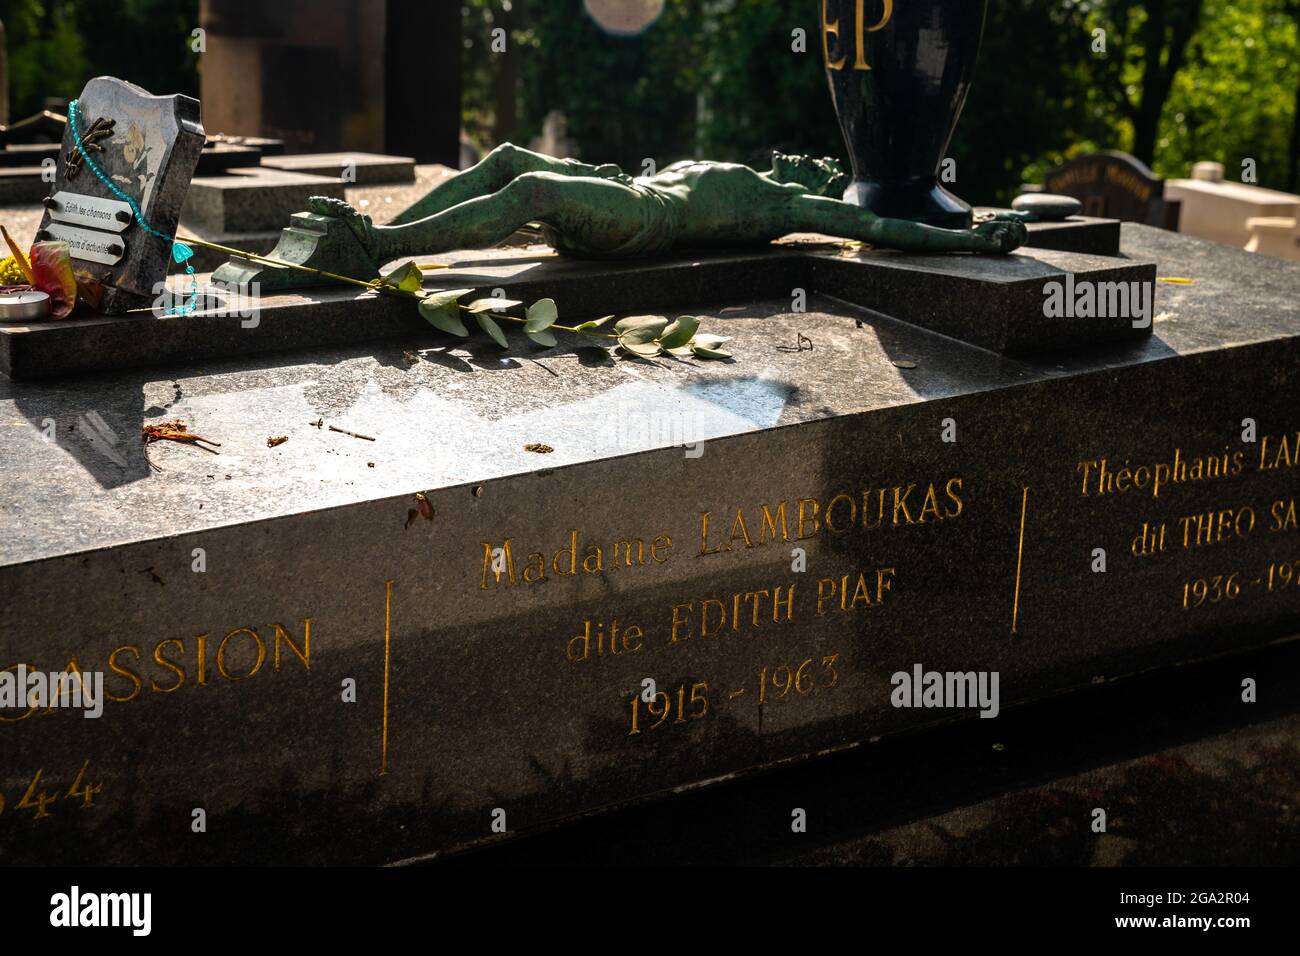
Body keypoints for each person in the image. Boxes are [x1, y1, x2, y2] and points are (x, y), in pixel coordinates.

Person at [307, 143, 1027, 267]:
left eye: (820, 166)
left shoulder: (788, 206)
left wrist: (974, 242)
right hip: (629, 195)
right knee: (506, 160)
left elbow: (878, 226)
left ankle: (385, 250)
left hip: (643, 223)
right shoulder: (746, 172)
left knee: (529, 193)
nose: (809, 159)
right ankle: (382, 231)